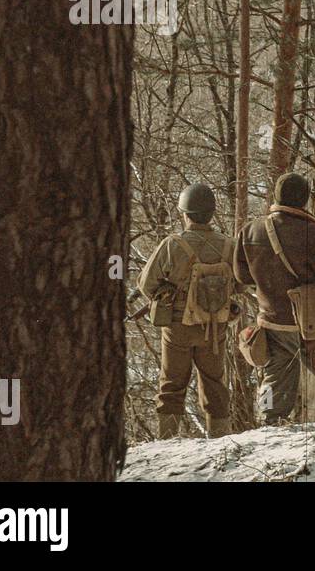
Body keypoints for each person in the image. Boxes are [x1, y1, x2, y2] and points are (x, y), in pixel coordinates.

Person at [234, 172, 315, 423]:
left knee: (274, 376)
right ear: (304, 200)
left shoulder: (250, 230)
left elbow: (242, 276)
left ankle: (267, 422)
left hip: (272, 320)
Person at [136, 183, 234, 439]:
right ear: (211, 213)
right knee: (215, 386)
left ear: (185, 213)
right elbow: (241, 284)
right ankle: (220, 442)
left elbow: (146, 284)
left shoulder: (172, 244)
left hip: (178, 327)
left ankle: (166, 446)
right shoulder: (228, 245)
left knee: (171, 386)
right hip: (214, 328)